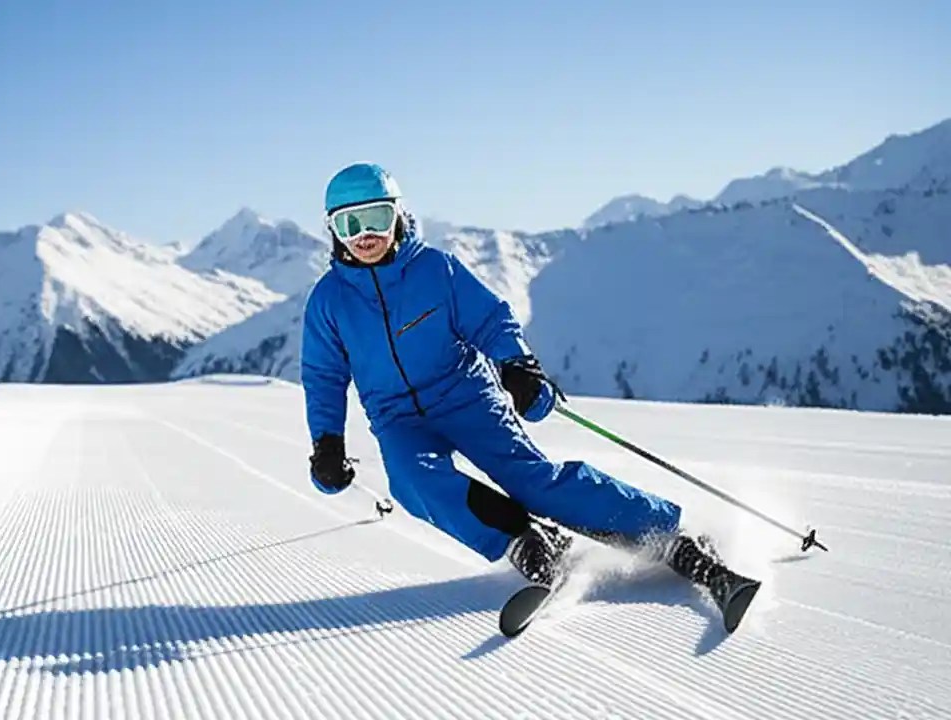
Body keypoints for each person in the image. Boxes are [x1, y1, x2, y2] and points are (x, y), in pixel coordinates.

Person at [300, 162, 760, 631]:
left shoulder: (436, 270)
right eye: (350, 224)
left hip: (465, 397)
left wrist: (517, 366)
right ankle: (526, 541)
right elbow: (323, 376)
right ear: (333, 230)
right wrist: (327, 442)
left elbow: (491, 320)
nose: (365, 235)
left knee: (530, 480)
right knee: (411, 481)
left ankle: (674, 539)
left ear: (397, 215)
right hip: (397, 418)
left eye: (375, 218)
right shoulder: (328, 301)